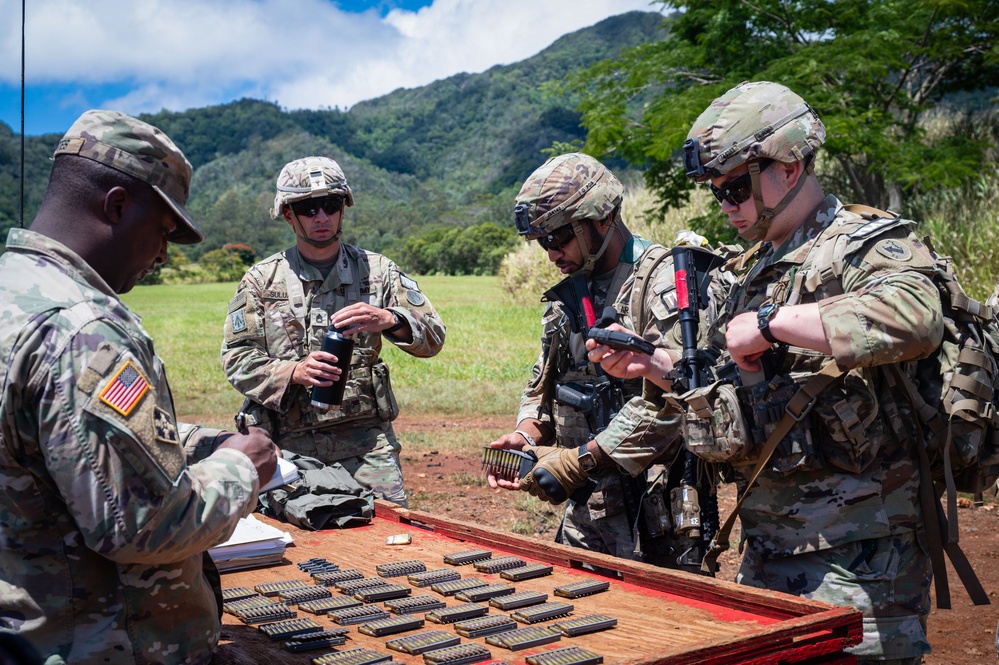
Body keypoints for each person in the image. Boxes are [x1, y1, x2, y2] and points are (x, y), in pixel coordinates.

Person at [588, 81, 942, 664]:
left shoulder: (861, 242)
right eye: (716, 191)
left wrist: (774, 322)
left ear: (791, 164)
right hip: (767, 546)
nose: (725, 204)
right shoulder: (753, 267)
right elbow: (745, 390)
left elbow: (915, 315)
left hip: (862, 558)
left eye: (735, 187)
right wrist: (658, 366)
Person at [0, 110, 280, 664]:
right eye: (164, 230)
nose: (162, 255)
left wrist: (191, 441)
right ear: (118, 205)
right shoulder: (81, 329)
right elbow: (142, 524)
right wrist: (242, 467)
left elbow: (50, 440)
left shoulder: (15, 294)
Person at [487, 152, 719, 571]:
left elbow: (678, 401)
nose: (551, 253)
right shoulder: (569, 296)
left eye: (559, 237)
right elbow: (544, 385)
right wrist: (525, 436)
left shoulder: (661, 281)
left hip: (657, 516)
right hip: (587, 509)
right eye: (543, 242)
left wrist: (582, 459)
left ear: (602, 218)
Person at [221, 156, 445, 507]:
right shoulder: (261, 281)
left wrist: (390, 319)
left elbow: (434, 336)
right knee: (298, 547)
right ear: (288, 214)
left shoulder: (377, 271)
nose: (321, 216)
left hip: (365, 442)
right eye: (308, 208)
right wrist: (293, 371)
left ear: (344, 207)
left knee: (387, 535)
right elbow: (235, 358)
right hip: (285, 444)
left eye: (330, 204)